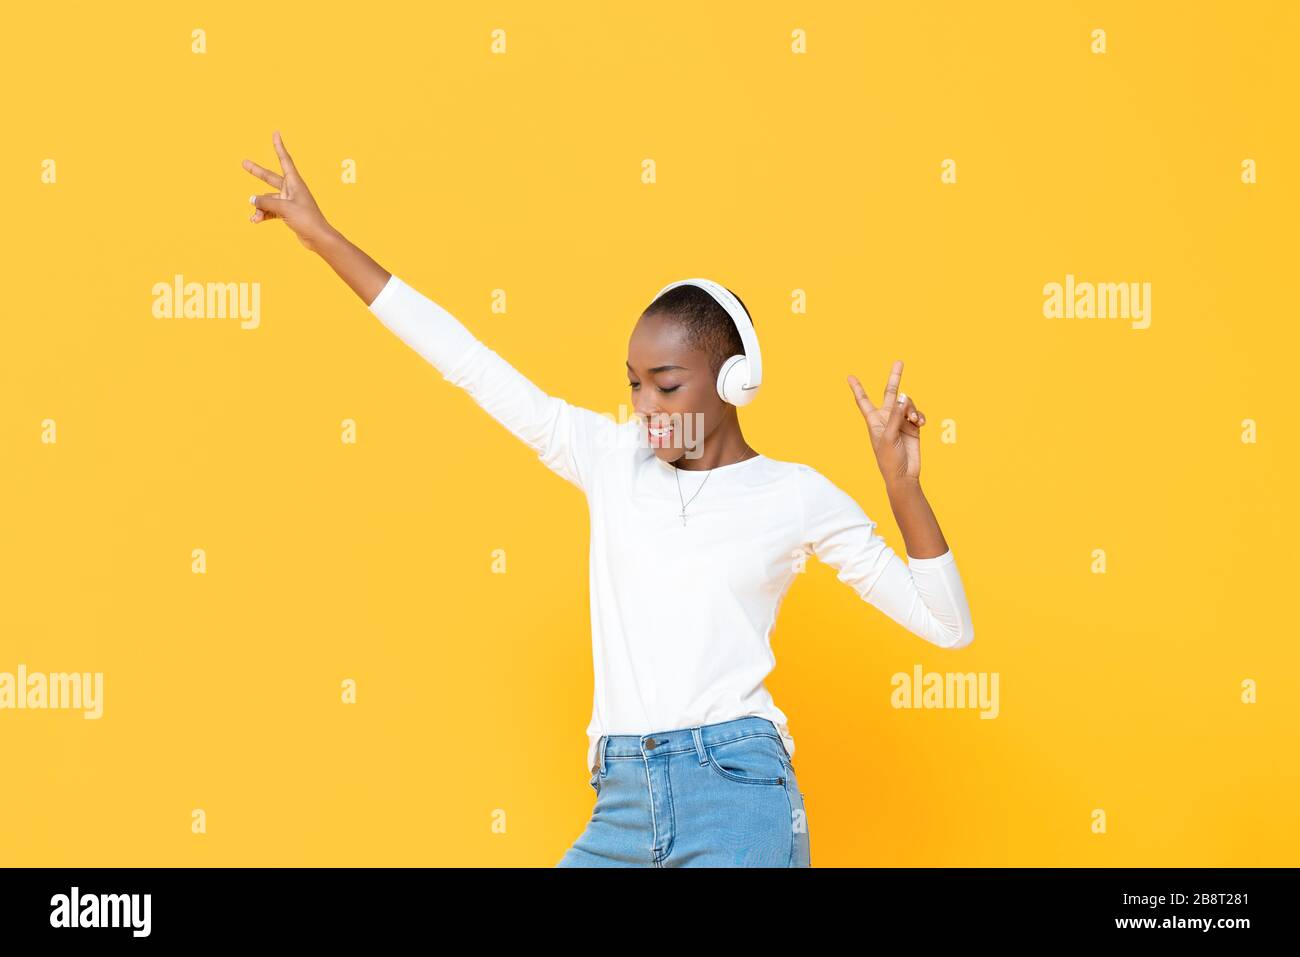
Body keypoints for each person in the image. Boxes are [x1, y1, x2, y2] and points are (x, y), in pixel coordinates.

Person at [242, 131, 975, 868]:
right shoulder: (608, 457)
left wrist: (901, 488)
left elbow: (947, 627)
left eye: (666, 382)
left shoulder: (792, 494)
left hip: (737, 789)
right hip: (622, 797)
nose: (645, 404)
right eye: (633, 382)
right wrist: (326, 239)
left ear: (733, 383)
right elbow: (466, 360)